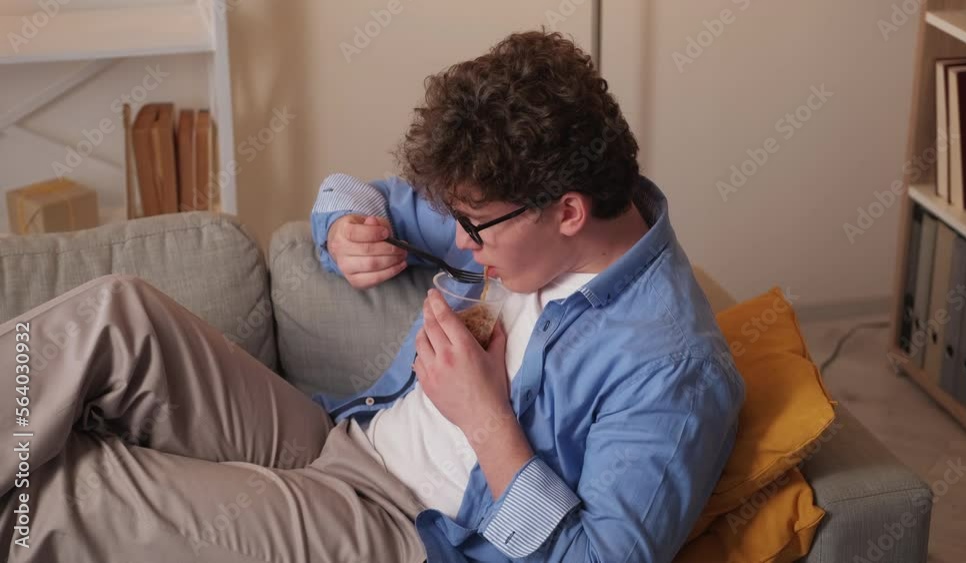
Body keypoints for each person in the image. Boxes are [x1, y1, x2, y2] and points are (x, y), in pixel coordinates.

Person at [0, 30, 743, 563]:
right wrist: (341, 229)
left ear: (570, 211)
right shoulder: (511, 211)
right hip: (336, 435)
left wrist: (484, 416)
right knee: (115, 314)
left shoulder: (671, 366)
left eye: (473, 227)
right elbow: (357, 192)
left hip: (404, 531)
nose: (459, 241)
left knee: (70, 490)